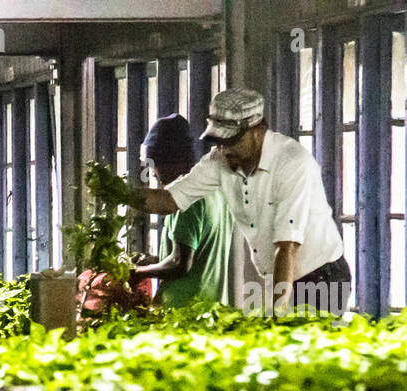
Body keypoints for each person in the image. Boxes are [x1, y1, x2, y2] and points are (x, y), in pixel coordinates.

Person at [132, 88, 351, 317]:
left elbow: (287, 247)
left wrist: (276, 314)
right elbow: (169, 200)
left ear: (257, 130)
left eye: (231, 141)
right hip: (282, 277)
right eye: (219, 142)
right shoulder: (221, 159)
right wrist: (116, 192)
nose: (224, 149)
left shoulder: (292, 163)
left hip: (321, 278)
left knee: (298, 344)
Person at [128, 115, 233, 307]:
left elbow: (180, 264)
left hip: (183, 309)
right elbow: (198, 253)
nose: (153, 173)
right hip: (211, 308)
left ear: (173, 160)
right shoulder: (216, 191)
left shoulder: (183, 198)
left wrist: (135, 274)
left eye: (155, 164)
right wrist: (150, 261)